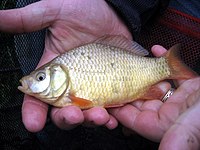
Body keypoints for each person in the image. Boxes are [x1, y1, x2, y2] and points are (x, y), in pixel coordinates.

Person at [0, 0, 199, 149]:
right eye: (40, 78)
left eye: (40, 77)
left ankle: (168, 66)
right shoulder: (65, 74)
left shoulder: (69, 94)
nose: (34, 81)